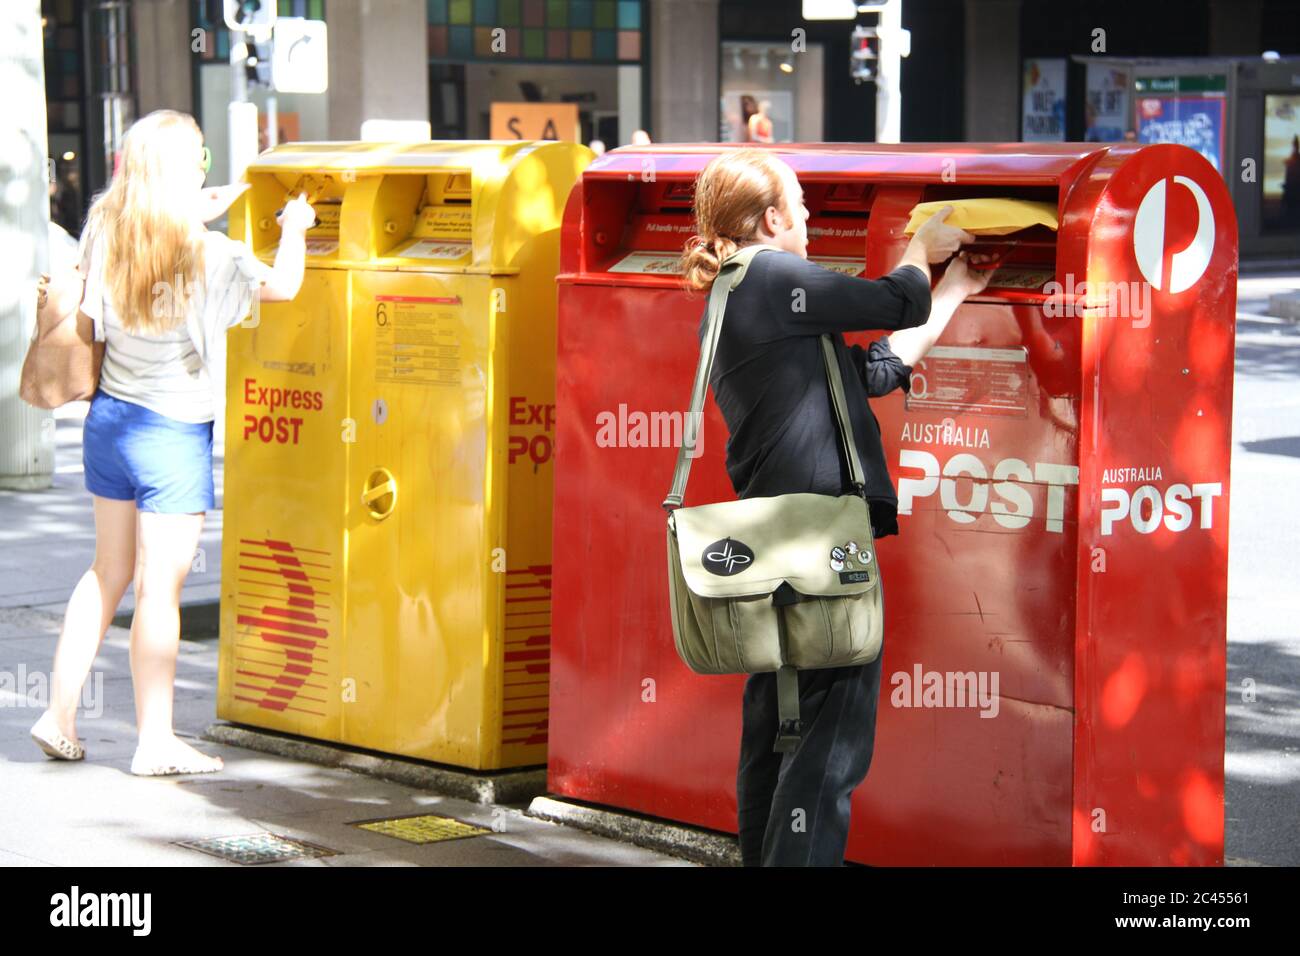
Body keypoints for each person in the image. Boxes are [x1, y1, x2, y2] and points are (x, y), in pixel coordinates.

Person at [679, 148, 993, 866]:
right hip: (820, 545)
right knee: (830, 738)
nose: (812, 216)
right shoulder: (773, 274)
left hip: (773, 546)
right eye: (802, 203)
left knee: (777, 723)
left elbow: (875, 368)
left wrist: (957, 289)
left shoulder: (737, 294)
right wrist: (924, 247)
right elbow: (894, 298)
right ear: (771, 218)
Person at [28, 109, 316, 776]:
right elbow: (285, 285)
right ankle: (154, 741)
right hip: (171, 433)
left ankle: (59, 714)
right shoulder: (211, 254)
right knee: (160, 590)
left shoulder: (106, 230)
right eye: (201, 161)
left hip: (109, 426)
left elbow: (132, 265)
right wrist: (295, 228)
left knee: (107, 573)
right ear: (186, 172)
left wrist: (199, 210)